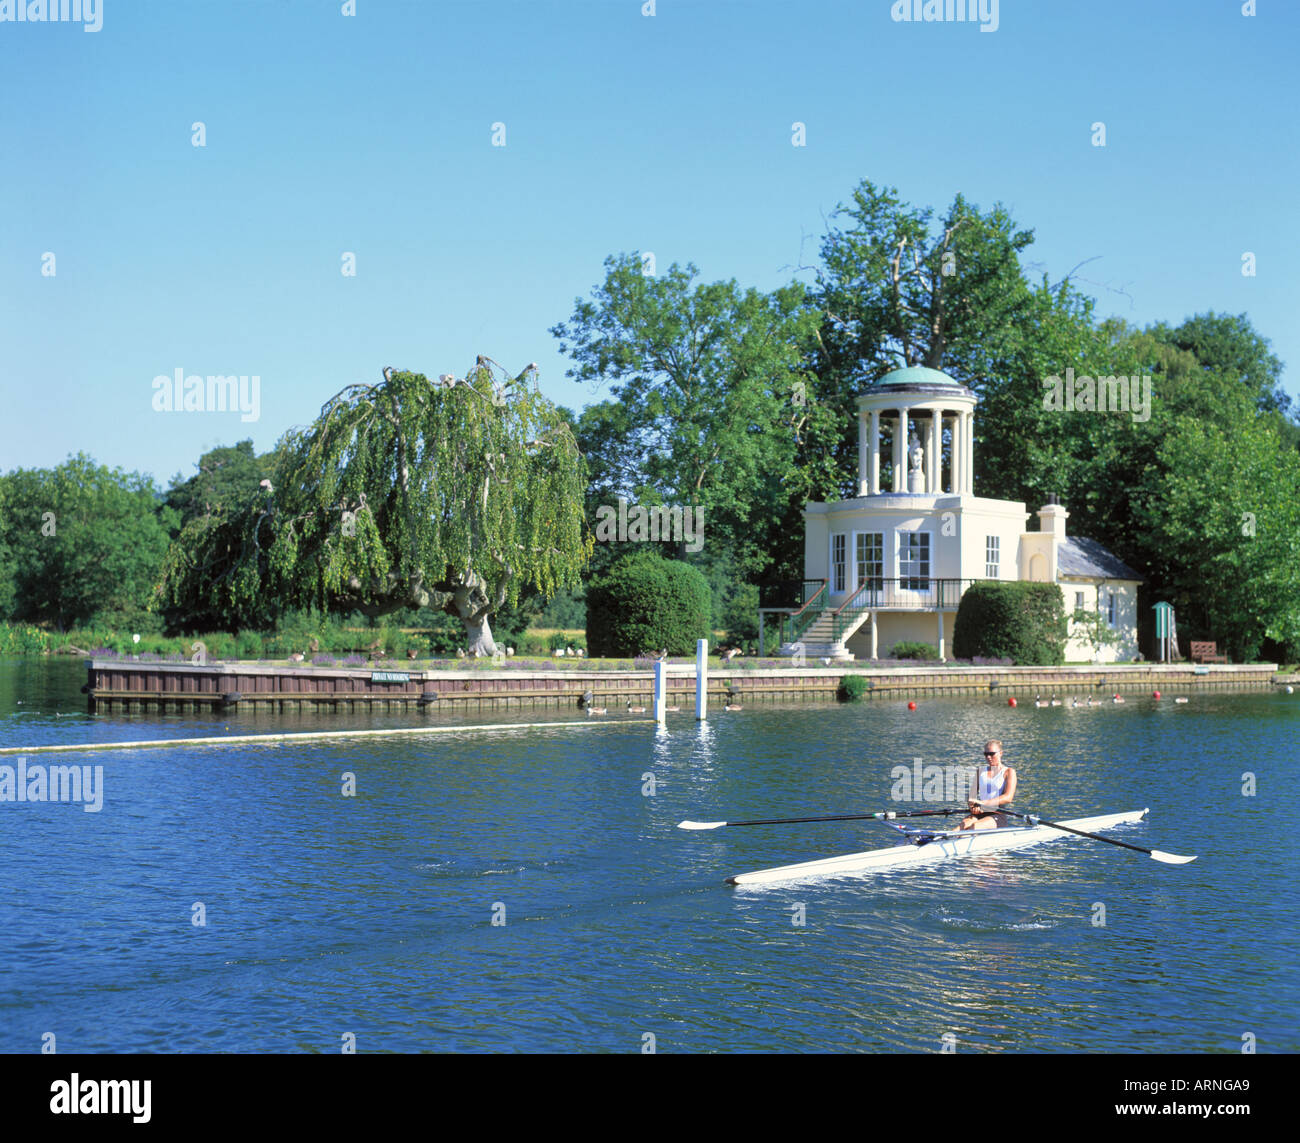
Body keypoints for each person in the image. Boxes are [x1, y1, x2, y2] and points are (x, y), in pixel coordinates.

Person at [958, 740, 1016, 830]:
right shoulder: (980, 771)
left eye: (992, 754)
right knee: (958, 829)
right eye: (986, 754)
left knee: (975, 826)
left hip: (997, 813)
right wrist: (972, 805)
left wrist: (983, 804)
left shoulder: (1009, 772)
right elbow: (971, 795)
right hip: (980, 812)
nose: (988, 757)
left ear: (1001, 753)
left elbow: (1008, 797)